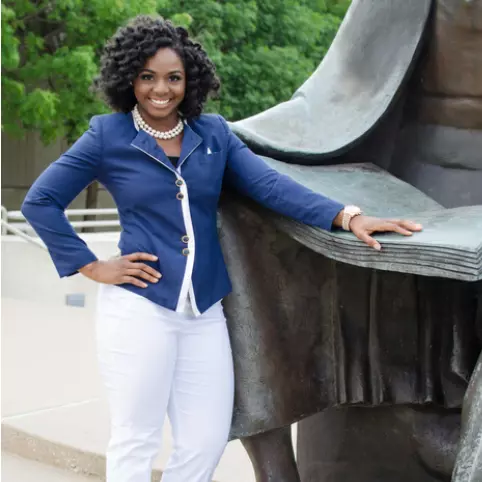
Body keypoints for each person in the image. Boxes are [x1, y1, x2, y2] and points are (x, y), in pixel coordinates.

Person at [21, 15, 423, 482]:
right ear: (128, 77)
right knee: (137, 437)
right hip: (139, 309)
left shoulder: (213, 135)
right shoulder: (107, 135)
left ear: (189, 80)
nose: (160, 89)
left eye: (174, 77)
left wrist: (348, 216)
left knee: (206, 439)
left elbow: (271, 187)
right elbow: (42, 201)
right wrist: (92, 266)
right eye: (147, 77)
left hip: (205, 310)